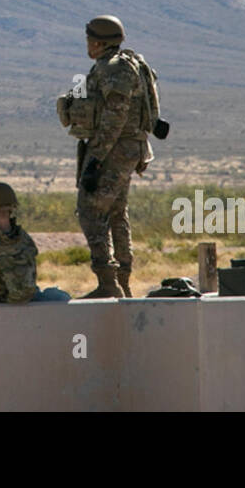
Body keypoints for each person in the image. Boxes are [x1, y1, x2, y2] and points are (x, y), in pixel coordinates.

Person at [71, 15, 159, 298]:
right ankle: (122, 282)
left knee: (90, 209)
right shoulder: (124, 64)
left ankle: (109, 282)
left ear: (98, 42)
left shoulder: (114, 69)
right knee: (116, 212)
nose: (87, 45)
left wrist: (96, 159)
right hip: (125, 149)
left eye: (89, 40)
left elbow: (115, 116)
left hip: (114, 150)